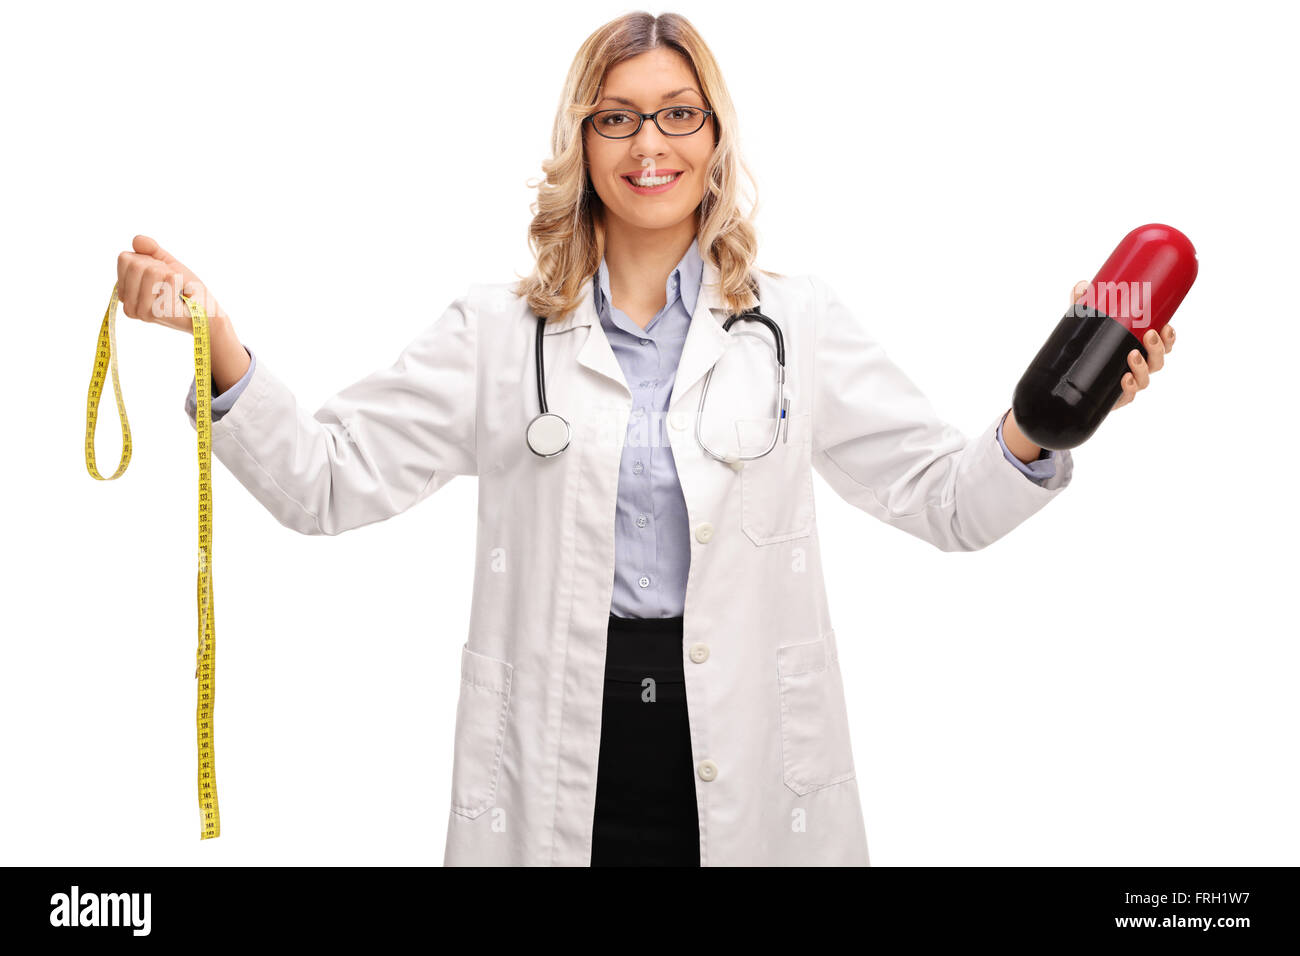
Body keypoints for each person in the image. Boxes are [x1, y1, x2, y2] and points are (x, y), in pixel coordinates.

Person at [114, 11, 1175, 867]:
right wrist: (213, 330)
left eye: (677, 114)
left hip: (751, 746)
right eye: (617, 119)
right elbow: (325, 482)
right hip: (558, 740)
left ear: (715, 139)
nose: (649, 145)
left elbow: (946, 501)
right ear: (580, 140)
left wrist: (1047, 417)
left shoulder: (793, 325)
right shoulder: (494, 332)